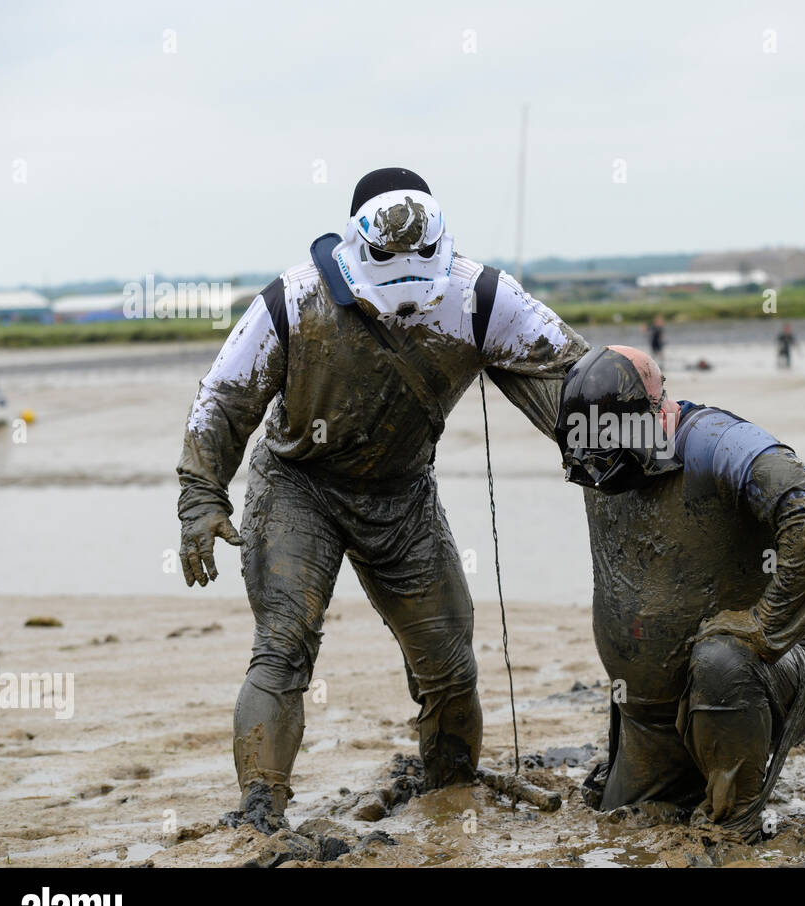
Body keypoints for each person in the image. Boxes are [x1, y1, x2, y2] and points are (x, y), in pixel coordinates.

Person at [176, 167, 588, 832]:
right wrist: (200, 497)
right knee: (282, 646)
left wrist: (622, 443)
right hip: (297, 487)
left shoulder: (481, 296)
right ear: (352, 257)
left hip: (402, 496)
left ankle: (449, 787)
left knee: (450, 663)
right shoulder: (294, 300)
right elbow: (225, 396)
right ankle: (260, 808)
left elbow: (574, 374)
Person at [556, 345, 805, 837]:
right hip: (650, 717)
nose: (599, 457)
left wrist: (763, 628)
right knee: (621, 824)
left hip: (772, 667)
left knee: (721, 661)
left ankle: (737, 826)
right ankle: (696, 766)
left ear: (653, 414)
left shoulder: (718, 442)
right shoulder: (591, 434)